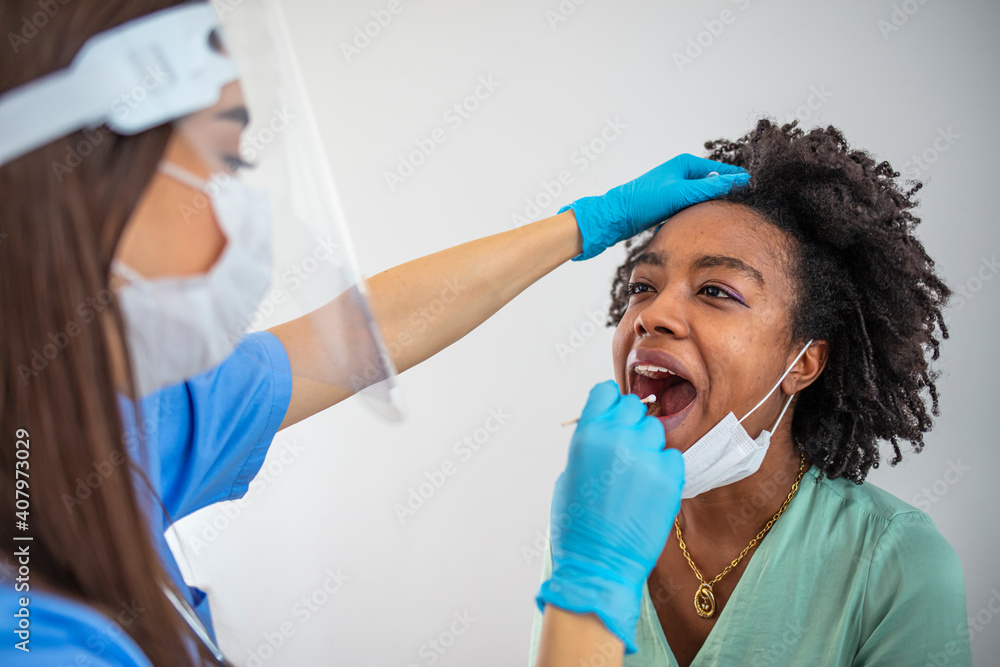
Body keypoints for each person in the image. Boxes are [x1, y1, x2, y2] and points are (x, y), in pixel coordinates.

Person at [0, 1, 736, 664]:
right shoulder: (34, 639)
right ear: (77, 185)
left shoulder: (91, 433)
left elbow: (352, 337)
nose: (236, 221)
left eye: (718, 290)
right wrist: (591, 589)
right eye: (222, 166)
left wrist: (585, 223)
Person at [528, 120, 972, 666]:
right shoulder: (593, 522)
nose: (654, 315)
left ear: (803, 361)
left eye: (716, 291)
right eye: (644, 286)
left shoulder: (895, 562)